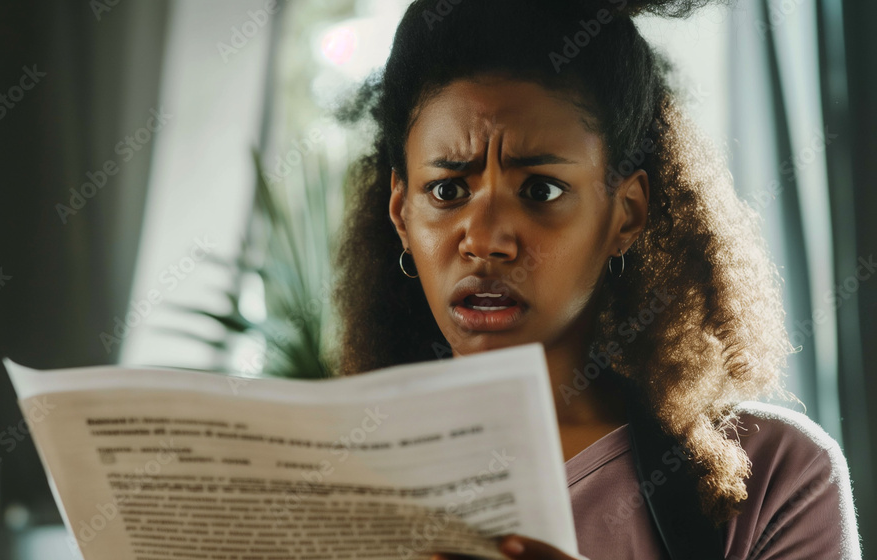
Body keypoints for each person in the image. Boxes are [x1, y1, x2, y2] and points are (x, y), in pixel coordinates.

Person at [330, 0, 863, 558]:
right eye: (447, 191)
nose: (485, 239)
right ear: (401, 214)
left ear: (624, 214)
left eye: (540, 190)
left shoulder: (774, 476)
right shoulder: (332, 477)